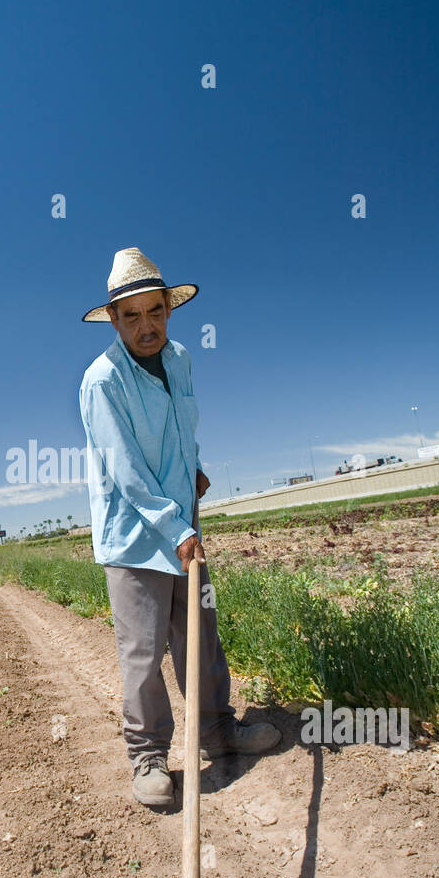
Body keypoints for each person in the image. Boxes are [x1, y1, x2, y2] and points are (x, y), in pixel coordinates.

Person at [79, 247, 281, 807]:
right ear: (115, 320)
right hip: (135, 537)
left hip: (184, 527)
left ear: (170, 308)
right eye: (133, 316)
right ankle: (147, 757)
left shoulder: (182, 360)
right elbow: (125, 470)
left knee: (201, 635)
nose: (147, 326)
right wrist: (175, 526)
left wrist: (191, 470)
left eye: (156, 312)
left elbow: (178, 433)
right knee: (142, 653)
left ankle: (217, 729)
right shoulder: (102, 382)